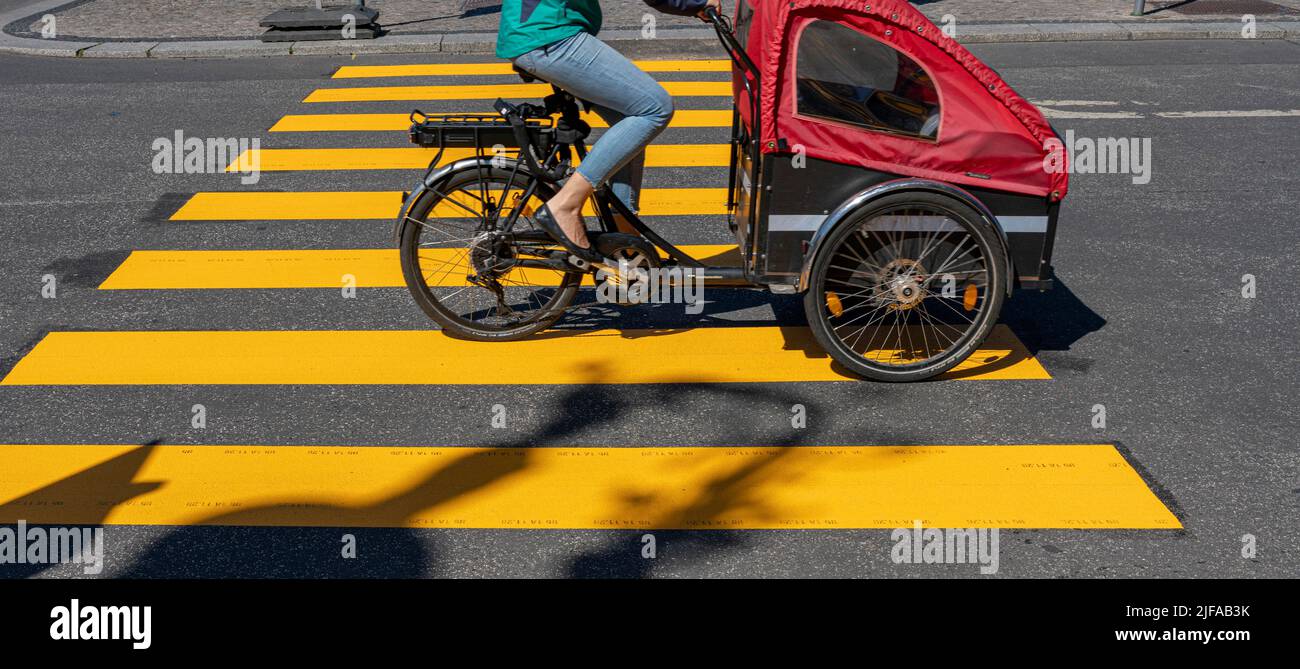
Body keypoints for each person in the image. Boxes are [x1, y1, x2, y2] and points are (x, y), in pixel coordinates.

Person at [496, 0, 722, 264]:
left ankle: (624, 241)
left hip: (540, 31)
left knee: (631, 125)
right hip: (550, 34)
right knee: (655, 107)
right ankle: (566, 205)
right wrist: (694, 4)